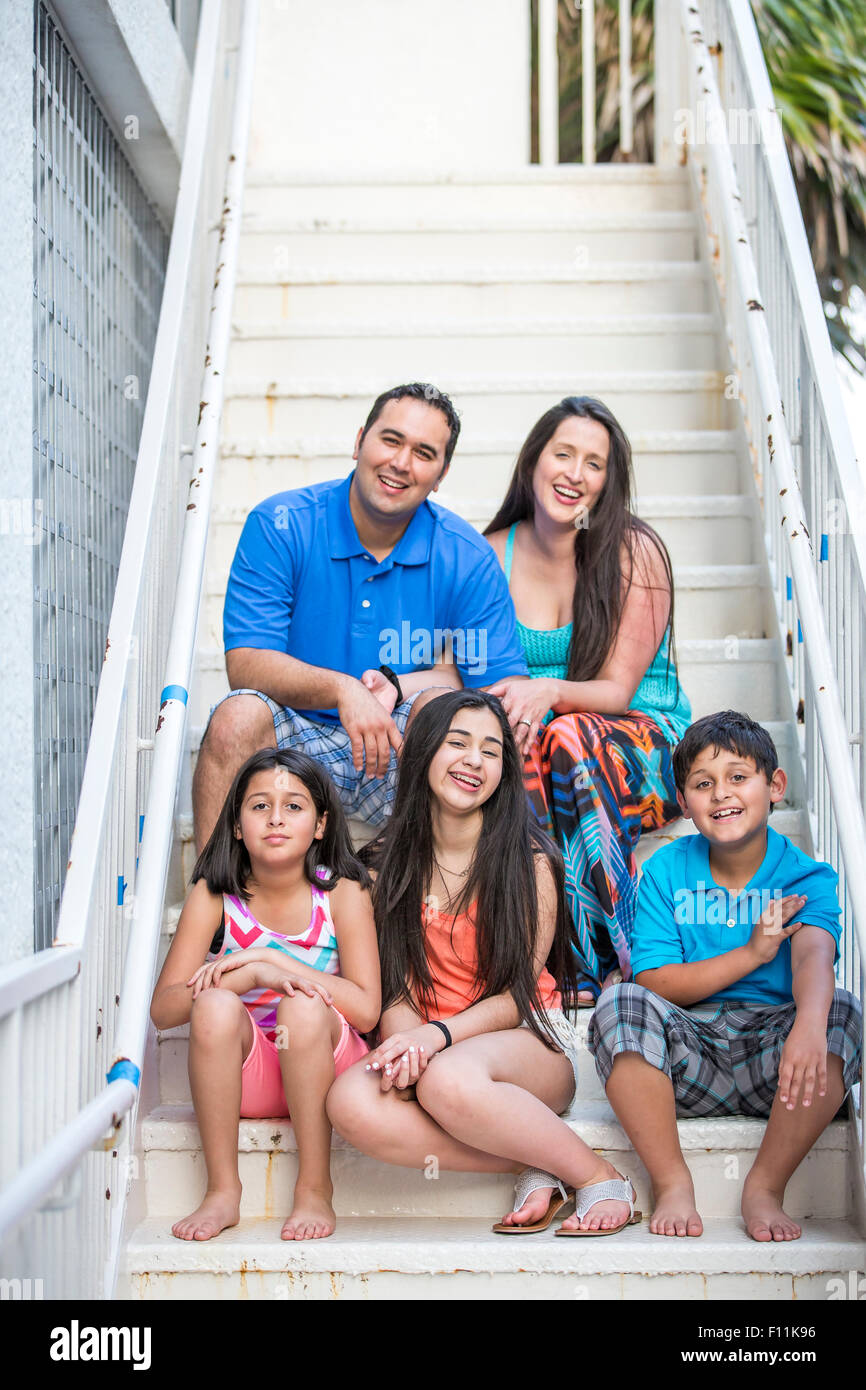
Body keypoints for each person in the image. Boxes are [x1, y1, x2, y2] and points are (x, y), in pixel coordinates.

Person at [326, 690, 644, 1237]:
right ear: (423, 752)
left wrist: (435, 1040)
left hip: (524, 1046)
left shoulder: (531, 863)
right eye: (457, 743)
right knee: (350, 1101)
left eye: (491, 750)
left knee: (447, 1079)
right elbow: (394, 990)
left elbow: (514, 997)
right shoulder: (377, 869)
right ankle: (532, 1159)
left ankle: (599, 1174)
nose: (474, 759)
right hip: (432, 1044)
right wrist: (405, 1046)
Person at [193, 382, 528, 850]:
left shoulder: (466, 555)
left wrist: (414, 688)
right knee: (236, 718)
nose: (401, 463)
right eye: (390, 440)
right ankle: (215, 903)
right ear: (359, 442)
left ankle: (431, 904)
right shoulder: (282, 523)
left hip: (399, 750)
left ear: (441, 472)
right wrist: (342, 689)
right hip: (294, 739)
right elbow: (246, 662)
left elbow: (498, 689)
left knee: (444, 717)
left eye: (424, 453)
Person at [585, 710, 862, 1241]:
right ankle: (672, 1182)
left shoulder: (804, 875)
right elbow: (656, 983)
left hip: (781, 1066)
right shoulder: (667, 870)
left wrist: (808, 1025)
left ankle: (764, 1185)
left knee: (841, 1009)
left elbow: (812, 958)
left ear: (775, 785)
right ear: (685, 803)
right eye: (703, 784)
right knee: (621, 1001)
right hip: (687, 1060)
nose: (721, 794)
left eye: (738, 777)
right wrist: (753, 953)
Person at [483, 396, 692, 1002]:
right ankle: (541, 956)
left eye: (593, 463)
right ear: (533, 463)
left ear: (609, 481)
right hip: (549, 749)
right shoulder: (491, 552)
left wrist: (546, 689)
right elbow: (458, 668)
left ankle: (614, 955)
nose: (575, 473)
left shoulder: (634, 550)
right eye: (563, 454)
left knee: (566, 735)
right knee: (515, 737)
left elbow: (617, 692)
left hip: (647, 746)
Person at [150, 748, 381, 1242]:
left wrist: (277, 963)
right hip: (250, 1080)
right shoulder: (215, 895)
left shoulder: (342, 891)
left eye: (294, 806)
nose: (276, 818)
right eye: (259, 806)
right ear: (236, 826)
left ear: (320, 825)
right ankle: (222, 1190)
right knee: (212, 1004)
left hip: (329, 1072)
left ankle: (315, 1187)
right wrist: (250, 974)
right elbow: (165, 1009)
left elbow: (365, 1011)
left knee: (300, 1004)